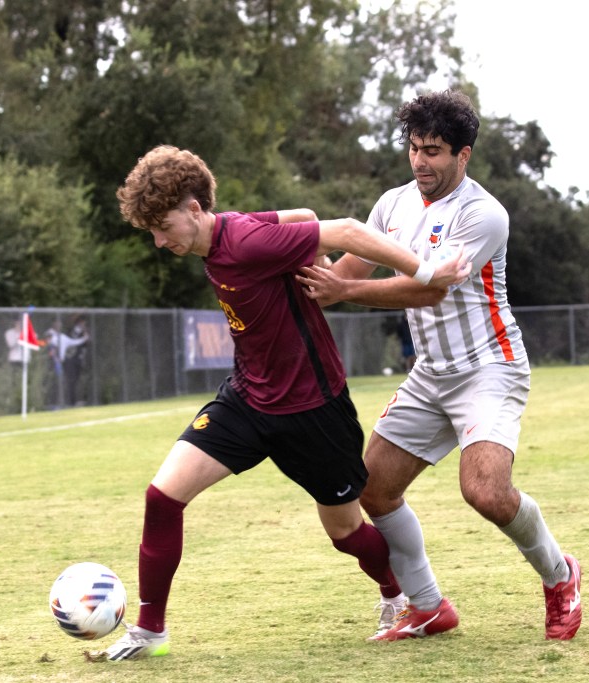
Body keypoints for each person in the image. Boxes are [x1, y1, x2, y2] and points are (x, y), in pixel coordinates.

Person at [89, 144, 470, 661]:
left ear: (196, 210)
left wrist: (427, 273)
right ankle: (149, 631)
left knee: (345, 531)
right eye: (151, 231)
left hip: (313, 409)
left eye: (163, 226)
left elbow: (349, 231)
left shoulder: (244, 241)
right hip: (247, 398)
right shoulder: (228, 233)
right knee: (162, 497)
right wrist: (307, 248)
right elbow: (305, 217)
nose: (158, 241)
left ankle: (400, 597)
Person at [296, 90, 582, 641]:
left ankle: (560, 574)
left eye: (433, 151)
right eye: (413, 148)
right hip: (431, 373)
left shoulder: (484, 214)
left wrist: (343, 289)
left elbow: (429, 292)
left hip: (488, 368)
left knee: (486, 492)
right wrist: (298, 261)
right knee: (372, 490)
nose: (420, 161)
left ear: (463, 155)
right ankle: (426, 606)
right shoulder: (393, 205)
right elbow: (347, 265)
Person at [45, 321, 89, 408]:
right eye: (56, 324)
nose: (58, 326)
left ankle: (61, 402)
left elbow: (74, 342)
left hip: (60, 363)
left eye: (59, 324)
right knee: (51, 382)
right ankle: (50, 403)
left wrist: (84, 339)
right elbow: (47, 342)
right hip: (51, 362)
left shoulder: (63, 337)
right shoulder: (51, 335)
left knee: (61, 382)